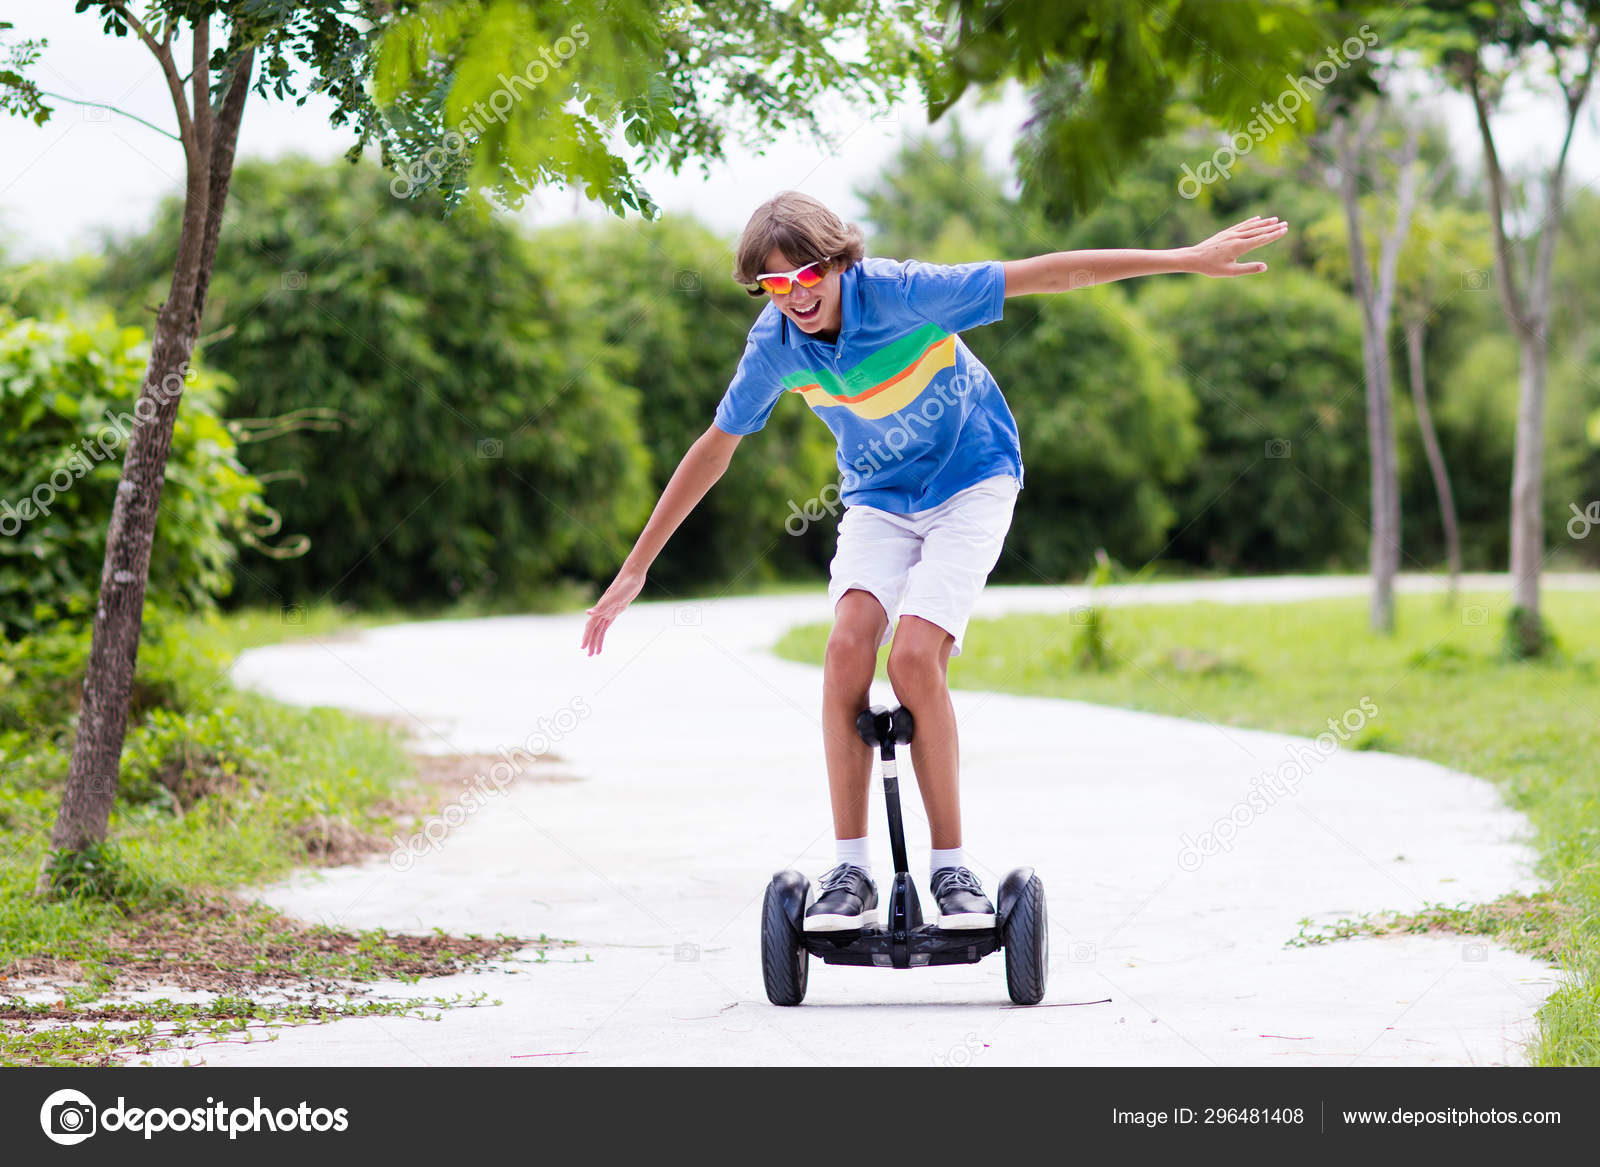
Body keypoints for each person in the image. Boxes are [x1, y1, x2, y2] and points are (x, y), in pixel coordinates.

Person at [580, 191, 1286, 931]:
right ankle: (850, 868)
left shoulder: (903, 292)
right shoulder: (775, 345)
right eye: (775, 284)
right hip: (879, 497)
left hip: (973, 479)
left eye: (807, 276)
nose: (794, 296)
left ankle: (952, 866)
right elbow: (715, 447)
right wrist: (636, 569)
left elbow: (1046, 273)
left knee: (914, 658)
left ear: (838, 262)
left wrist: (1185, 258)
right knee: (846, 648)